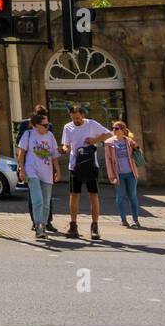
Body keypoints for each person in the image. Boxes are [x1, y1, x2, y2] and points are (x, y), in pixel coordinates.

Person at [61, 104, 110, 240]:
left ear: (83, 115)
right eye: (73, 118)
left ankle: (94, 226)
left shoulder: (91, 124)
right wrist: (65, 148)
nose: (75, 120)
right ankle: (73, 225)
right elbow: (66, 143)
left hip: (90, 164)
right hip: (75, 165)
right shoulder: (68, 127)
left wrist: (94, 140)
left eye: (77, 118)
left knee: (93, 196)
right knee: (74, 195)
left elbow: (108, 134)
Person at [16, 103, 59, 233]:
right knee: (38, 200)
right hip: (31, 169)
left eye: (48, 124)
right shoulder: (28, 133)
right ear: (36, 124)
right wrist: (22, 169)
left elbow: (54, 154)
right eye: (45, 125)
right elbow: (21, 152)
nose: (48, 127)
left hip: (46, 170)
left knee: (46, 202)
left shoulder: (50, 135)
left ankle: (44, 224)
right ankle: (38, 225)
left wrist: (58, 170)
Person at [104, 121, 142, 228]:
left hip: (131, 173)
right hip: (118, 174)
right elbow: (108, 160)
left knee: (133, 197)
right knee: (120, 197)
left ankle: (135, 220)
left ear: (123, 130)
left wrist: (137, 147)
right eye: (113, 128)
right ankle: (123, 219)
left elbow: (139, 154)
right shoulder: (109, 143)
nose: (114, 130)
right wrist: (111, 175)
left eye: (116, 128)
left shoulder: (129, 141)